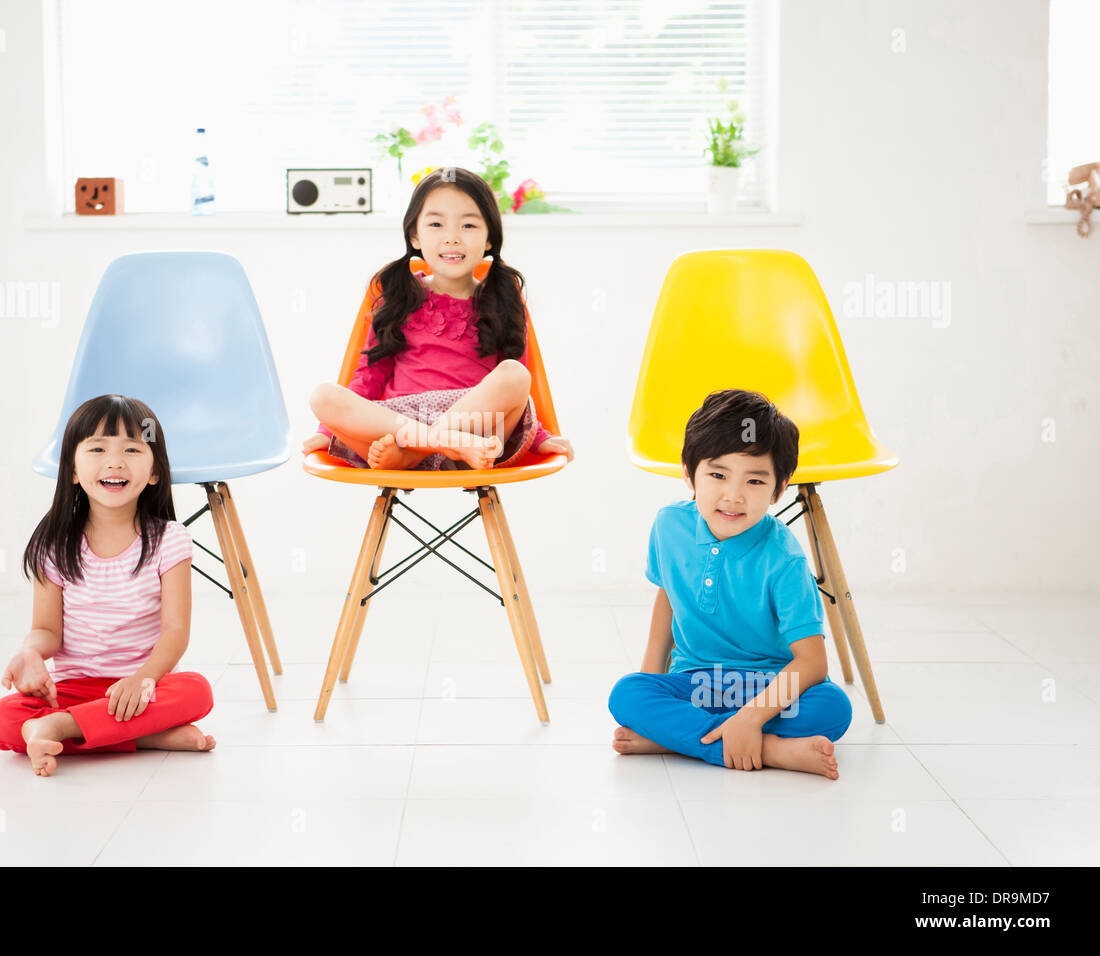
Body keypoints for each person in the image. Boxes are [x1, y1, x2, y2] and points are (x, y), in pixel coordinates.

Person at [607, 389, 852, 778]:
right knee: (628, 694)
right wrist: (652, 681)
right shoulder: (670, 525)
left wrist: (752, 717)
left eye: (755, 481)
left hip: (766, 688)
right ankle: (773, 751)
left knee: (833, 707)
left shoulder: (784, 559)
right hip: (695, 684)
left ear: (779, 488)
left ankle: (678, 739)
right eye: (718, 475)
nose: (733, 496)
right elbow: (667, 601)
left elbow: (812, 662)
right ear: (689, 473)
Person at [0, 394, 216, 776]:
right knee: (3, 717)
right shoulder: (55, 543)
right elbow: (47, 631)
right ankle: (145, 737)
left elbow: (175, 632)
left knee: (196, 689)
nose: (114, 461)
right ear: (73, 470)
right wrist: (30, 652)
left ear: (155, 472)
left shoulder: (170, 539)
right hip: (75, 690)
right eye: (97, 448)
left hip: (143, 687)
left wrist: (143, 679)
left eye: (132, 448)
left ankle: (58, 729)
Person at [301, 166, 574, 470]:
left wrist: (539, 438)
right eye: (436, 224)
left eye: (468, 226)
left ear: (489, 239)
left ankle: (415, 454)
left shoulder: (502, 298)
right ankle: (437, 444)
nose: (452, 238)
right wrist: (328, 430)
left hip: (474, 428)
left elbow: (518, 386)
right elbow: (370, 374)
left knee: (514, 374)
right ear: (414, 236)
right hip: (397, 427)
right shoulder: (399, 294)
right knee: (323, 396)